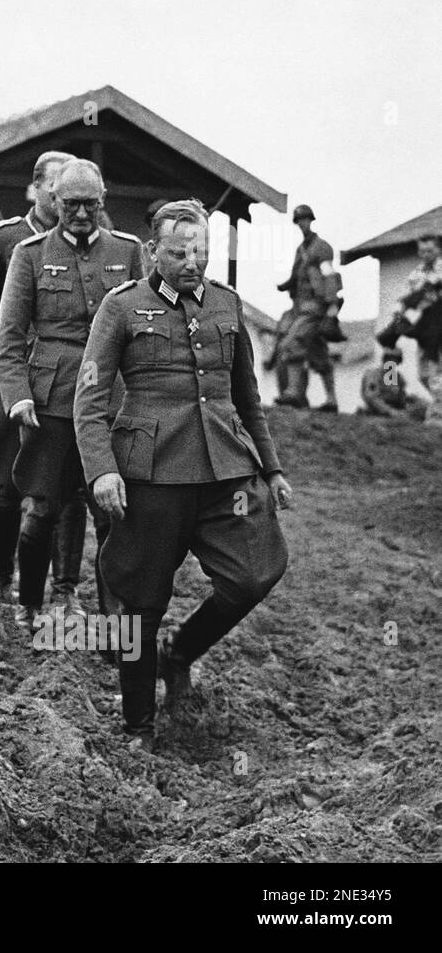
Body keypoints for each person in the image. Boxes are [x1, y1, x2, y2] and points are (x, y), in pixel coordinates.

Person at [75, 199, 291, 752]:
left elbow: (247, 394)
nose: (192, 262)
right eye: (179, 252)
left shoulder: (226, 304)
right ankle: (138, 727)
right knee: (139, 603)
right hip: (150, 477)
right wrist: (102, 471)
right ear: (152, 251)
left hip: (225, 470)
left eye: (201, 251)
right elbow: (90, 399)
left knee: (253, 574)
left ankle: (180, 653)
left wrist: (272, 467)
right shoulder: (121, 308)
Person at [0, 159, 143, 630]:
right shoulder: (31, 253)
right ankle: (30, 605)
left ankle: (111, 618)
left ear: (104, 200)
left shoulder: (129, 251)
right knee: (41, 508)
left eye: (91, 205)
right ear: (53, 200)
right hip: (51, 403)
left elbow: (144, 328)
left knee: (111, 512)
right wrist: (17, 396)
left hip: (111, 403)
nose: (81, 215)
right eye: (71, 205)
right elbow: (9, 337)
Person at [0, 150, 75, 607]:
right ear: (37, 187)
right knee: (7, 488)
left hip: (63, 386)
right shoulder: (5, 240)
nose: (65, 198)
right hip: (9, 381)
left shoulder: (84, 245)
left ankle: (62, 589)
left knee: (63, 494)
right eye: (57, 188)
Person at [274, 204, 342, 411]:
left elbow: (329, 274)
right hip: (302, 306)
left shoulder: (321, 247)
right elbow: (297, 277)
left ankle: (293, 392)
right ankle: (332, 400)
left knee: (292, 342)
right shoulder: (301, 249)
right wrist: (286, 284)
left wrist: (332, 306)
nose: (301, 223)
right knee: (318, 352)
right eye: (298, 220)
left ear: (311, 220)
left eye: (304, 219)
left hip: (315, 306)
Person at [376, 234, 442, 426]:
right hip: (425, 329)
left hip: (440, 327)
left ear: (438, 250)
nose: (426, 254)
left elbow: (429, 287)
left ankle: (437, 416)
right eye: (422, 250)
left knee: (436, 372)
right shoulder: (415, 274)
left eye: (430, 250)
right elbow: (408, 298)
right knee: (424, 375)